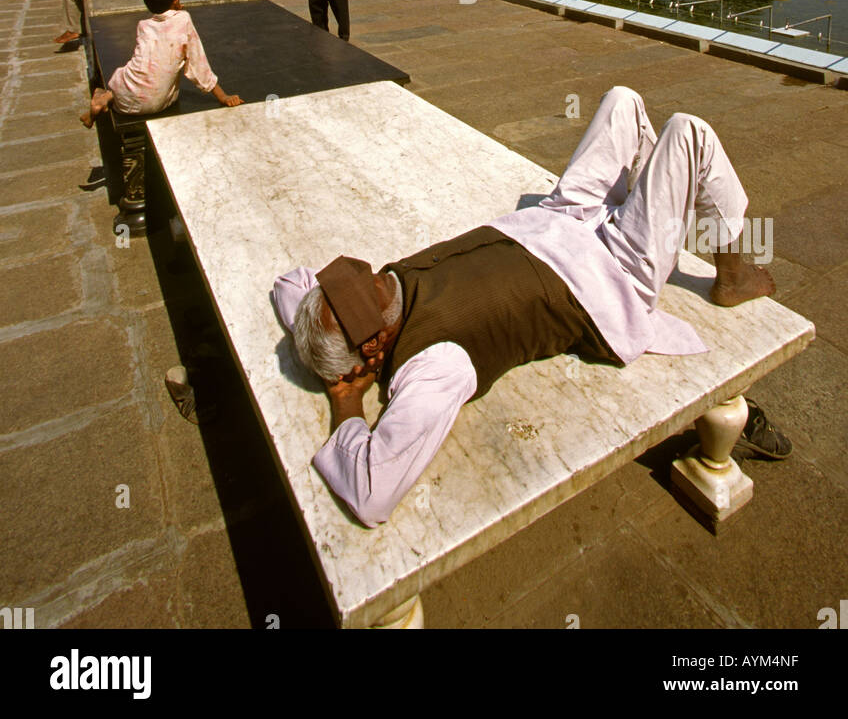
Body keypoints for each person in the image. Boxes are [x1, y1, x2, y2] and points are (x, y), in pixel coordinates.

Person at [275, 86, 785, 527]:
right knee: (688, 132)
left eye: (357, 279)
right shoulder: (435, 365)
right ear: (373, 349)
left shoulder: (357, 310)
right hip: (607, 278)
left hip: (556, 222)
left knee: (623, 103)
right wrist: (345, 399)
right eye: (370, 295)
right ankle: (732, 274)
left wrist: (326, 344)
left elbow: (290, 288)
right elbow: (370, 491)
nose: (376, 277)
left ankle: (652, 199)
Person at [81, 0, 242, 126]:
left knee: (126, 74)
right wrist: (223, 96)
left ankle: (103, 99)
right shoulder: (183, 19)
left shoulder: (143, 25)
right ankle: (103, 98)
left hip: (124, 100)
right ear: (176, 0)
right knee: (166, 89)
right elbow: (198, 63)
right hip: (156, 104)